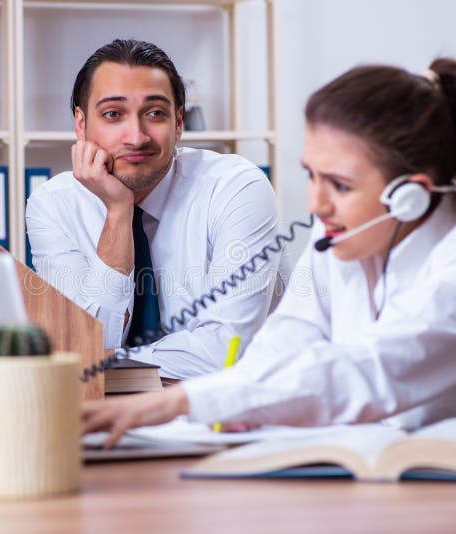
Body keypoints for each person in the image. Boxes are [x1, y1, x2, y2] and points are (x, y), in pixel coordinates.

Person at [83, 57, 456, 447]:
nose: (317, 204)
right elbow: (281, 352)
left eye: (339, 185)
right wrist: (214, 410)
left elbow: (372, 372)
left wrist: (176, 402)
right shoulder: (340, 244)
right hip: (409, 486)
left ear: (410, 194)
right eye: (311, 175)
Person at [25, 39, 286, 380]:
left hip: (230, 414)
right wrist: (118, 212)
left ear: (178, 122)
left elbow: (223, 354)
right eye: (113, 114)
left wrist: (104, 361)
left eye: (155, 114)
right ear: (81, 123)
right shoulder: (53, 204)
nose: (136, 136)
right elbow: (82, 346)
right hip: (110, 412)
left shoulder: (236, 187)